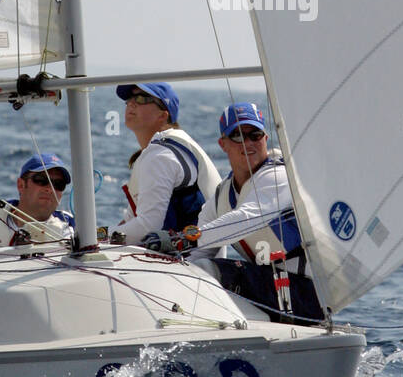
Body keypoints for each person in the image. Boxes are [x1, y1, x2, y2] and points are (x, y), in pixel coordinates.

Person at [184, 102, 324, 322]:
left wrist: (185, 238)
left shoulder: (278, 176)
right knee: (192, 271)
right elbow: (198, 253)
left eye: (255, 134)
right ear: (223, 144)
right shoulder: (221, 197)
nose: (248, 142)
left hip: (307, 297)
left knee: (207, 270)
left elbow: (246, 218)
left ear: (265, 140)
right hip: (269, 291)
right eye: (238, 135)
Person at [108, 82, 219, 246]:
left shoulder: (160, 156)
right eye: (130, 98)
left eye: (141, 98)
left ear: (162, 115)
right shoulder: (167, 149)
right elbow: (132, 223)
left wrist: (95, 239)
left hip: (184, 262)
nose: (131, 103)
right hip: (188, 259)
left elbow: (149, 225)